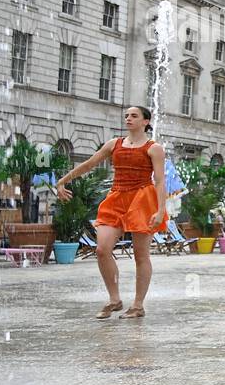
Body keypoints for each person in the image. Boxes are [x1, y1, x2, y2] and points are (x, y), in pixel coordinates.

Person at [56, 106, 168, 319]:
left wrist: (161, 210)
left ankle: (138, 305)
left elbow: (160, 181)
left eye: (134, 116)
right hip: (116, 197)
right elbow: (89, 164)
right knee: (102, 250)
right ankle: (115, 299)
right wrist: (63, 180)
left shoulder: (154, 148)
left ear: (145, 121)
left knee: (141, 255)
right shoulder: (114, 144)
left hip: (142, 199)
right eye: (126, 115)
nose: (128, 118)